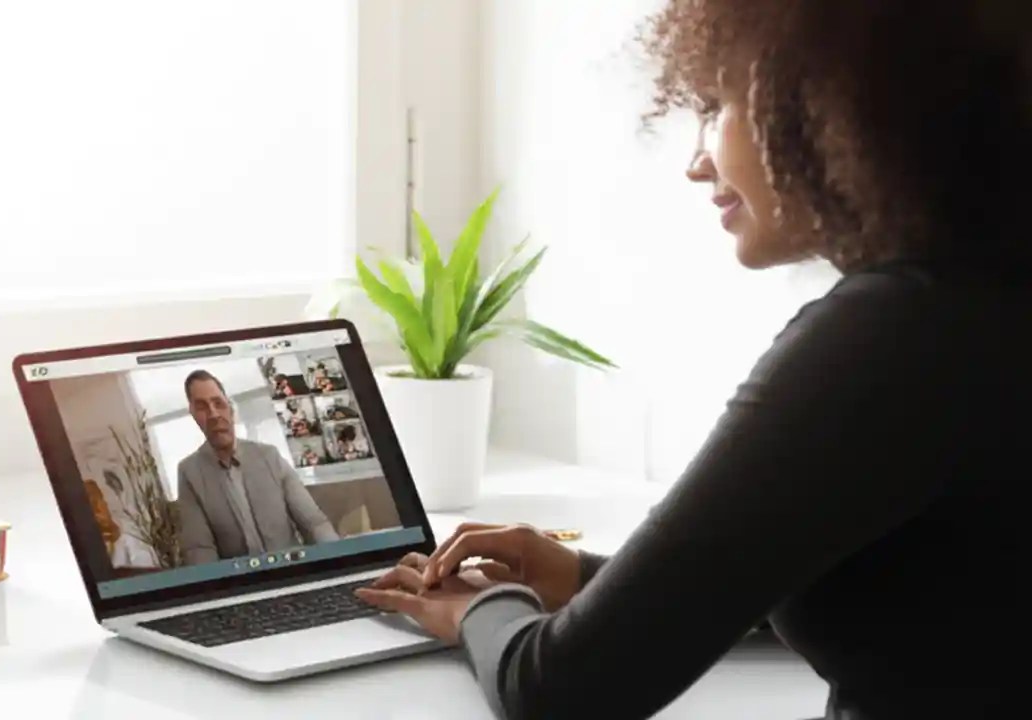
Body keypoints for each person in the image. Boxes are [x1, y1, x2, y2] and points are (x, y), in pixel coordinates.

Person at [356, 2, 1028, 718]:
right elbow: (926, 608)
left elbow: (559, 691)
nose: (695, 162)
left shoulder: (893, 338)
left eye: (717, 106)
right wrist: (586, 578)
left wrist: (483, 606)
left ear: (834, 105)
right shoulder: (986, 302)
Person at [177, 370, 339, 565]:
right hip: (241, 584)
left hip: (293, 570)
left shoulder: (269, 456)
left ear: (230, 408)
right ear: (193, 415)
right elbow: (199, 550)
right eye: (202, 407)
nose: (213, 414)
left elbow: (314, 524)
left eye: (218, 403)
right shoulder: (188, 472)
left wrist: (338, 567)